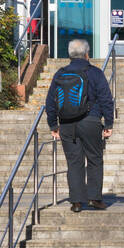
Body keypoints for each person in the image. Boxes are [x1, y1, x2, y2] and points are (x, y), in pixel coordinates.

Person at [45, 38, 115, 212]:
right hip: (91, 121)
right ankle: (94, 198)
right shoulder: (95, 73)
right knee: (95, 159)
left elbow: (50, 102)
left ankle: (76, 202)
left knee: (74, 162)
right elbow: (106, 98)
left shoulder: (60, 73)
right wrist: (108, 123)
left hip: (67, 124)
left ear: (70, 55)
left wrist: (53, 125)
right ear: (87, 54)